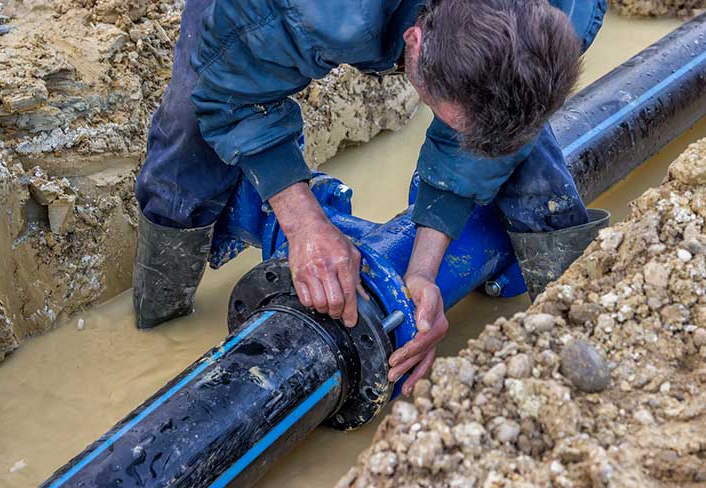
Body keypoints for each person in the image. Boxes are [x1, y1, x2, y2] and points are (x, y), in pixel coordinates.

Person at [134, 0, 607, 395]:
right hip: (278, 13)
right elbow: (230, 94)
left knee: (516, 144)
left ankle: (575, 328)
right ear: (414, 43)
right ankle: (159, 311)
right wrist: (304, 225)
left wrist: (423, 272)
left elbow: (484, 142)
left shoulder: (566, 13)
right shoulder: (325, 10)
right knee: (191, 120)